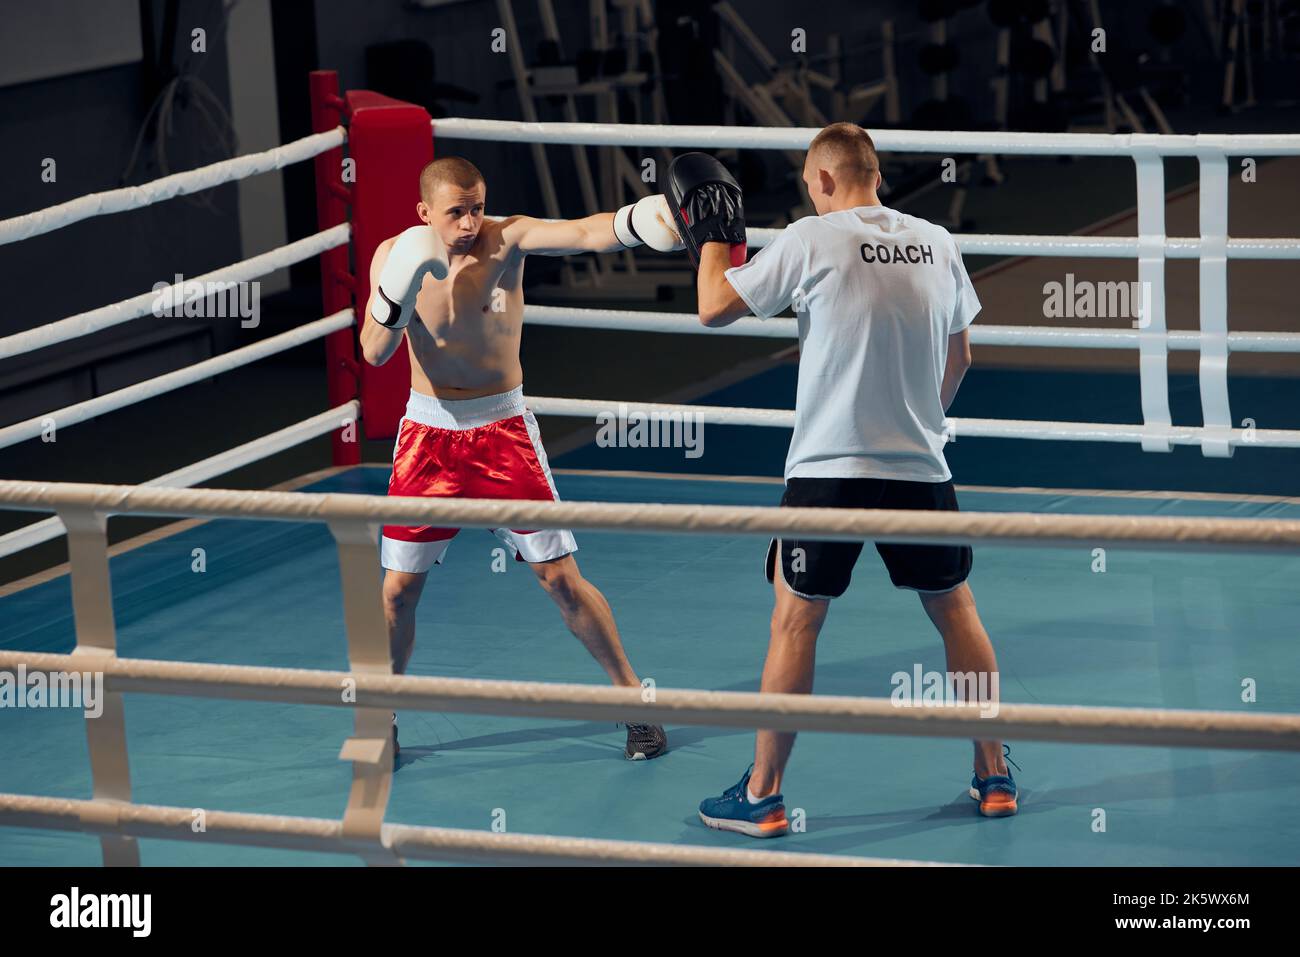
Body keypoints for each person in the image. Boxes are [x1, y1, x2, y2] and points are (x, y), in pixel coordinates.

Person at [665, 123, 1015, 837]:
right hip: (920, 467)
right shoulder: (936, 241)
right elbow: (964, 358)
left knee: (797, 621)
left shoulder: (808, 238)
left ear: (822, 180)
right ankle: (993, 773)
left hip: (829, 468)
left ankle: (763, 795)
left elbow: (710, 307)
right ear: (875, 173)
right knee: (956, 611)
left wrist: (714, 236)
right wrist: (924, 423)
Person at [363, 156, 682, 762]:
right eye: (456, 211)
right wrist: (392, 293)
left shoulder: (506, 240)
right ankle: (384, 716)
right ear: (424, 213)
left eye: (477, 206)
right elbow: (374, 353)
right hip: (426, 438)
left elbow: (582, 231)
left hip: (501, 430)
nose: (469, 221)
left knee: (560, 579)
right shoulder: (392, 256)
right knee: (398, 590)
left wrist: (642, 218)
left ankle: (636, 705)